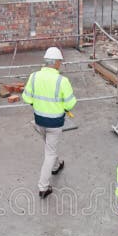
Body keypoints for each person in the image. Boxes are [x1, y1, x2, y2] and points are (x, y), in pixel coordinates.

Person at [22, 46, 77, 199]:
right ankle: (43, 187)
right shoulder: (62, 81)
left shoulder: (33, 77)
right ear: (57, 62)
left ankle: (57, 165)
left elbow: (27, 98)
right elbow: (70, 104)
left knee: (49, 147)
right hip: (55, 123)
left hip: (39, 121)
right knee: (50, 152)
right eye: (60, 61)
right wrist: (61, 106)